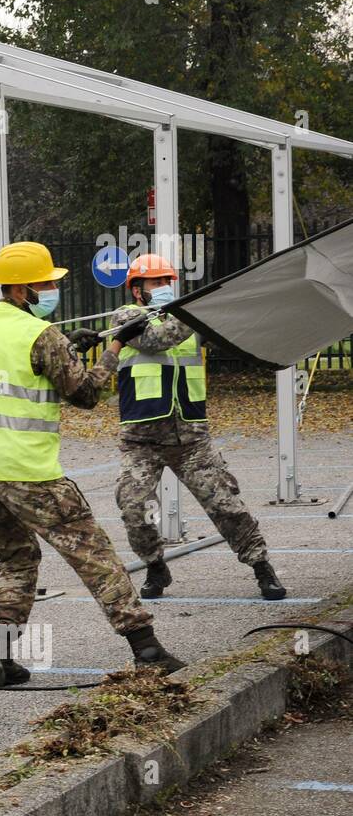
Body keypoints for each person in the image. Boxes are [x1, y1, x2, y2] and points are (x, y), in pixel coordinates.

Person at [0, 241, 185, 682]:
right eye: (45, 284)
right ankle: (146, 647)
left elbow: (23, 366)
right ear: (22, 290)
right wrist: (115, 346)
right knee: (93, 554)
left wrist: (69, 349)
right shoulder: (41, 335)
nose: (51, 289)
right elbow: (86, 394)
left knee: (16, 558)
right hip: (26, 470)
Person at [109, 253, 285, 600]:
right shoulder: (126, 318)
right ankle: (156, 566)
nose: (163, 288)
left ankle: (262, 566)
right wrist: (195, 313)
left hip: (191, 437)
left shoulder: (187, 318)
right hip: (141, 440)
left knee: (226, 504)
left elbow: (234, 332)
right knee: (134, 508)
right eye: (155, 282)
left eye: (167, 282)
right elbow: (158, 340)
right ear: (137, 290)